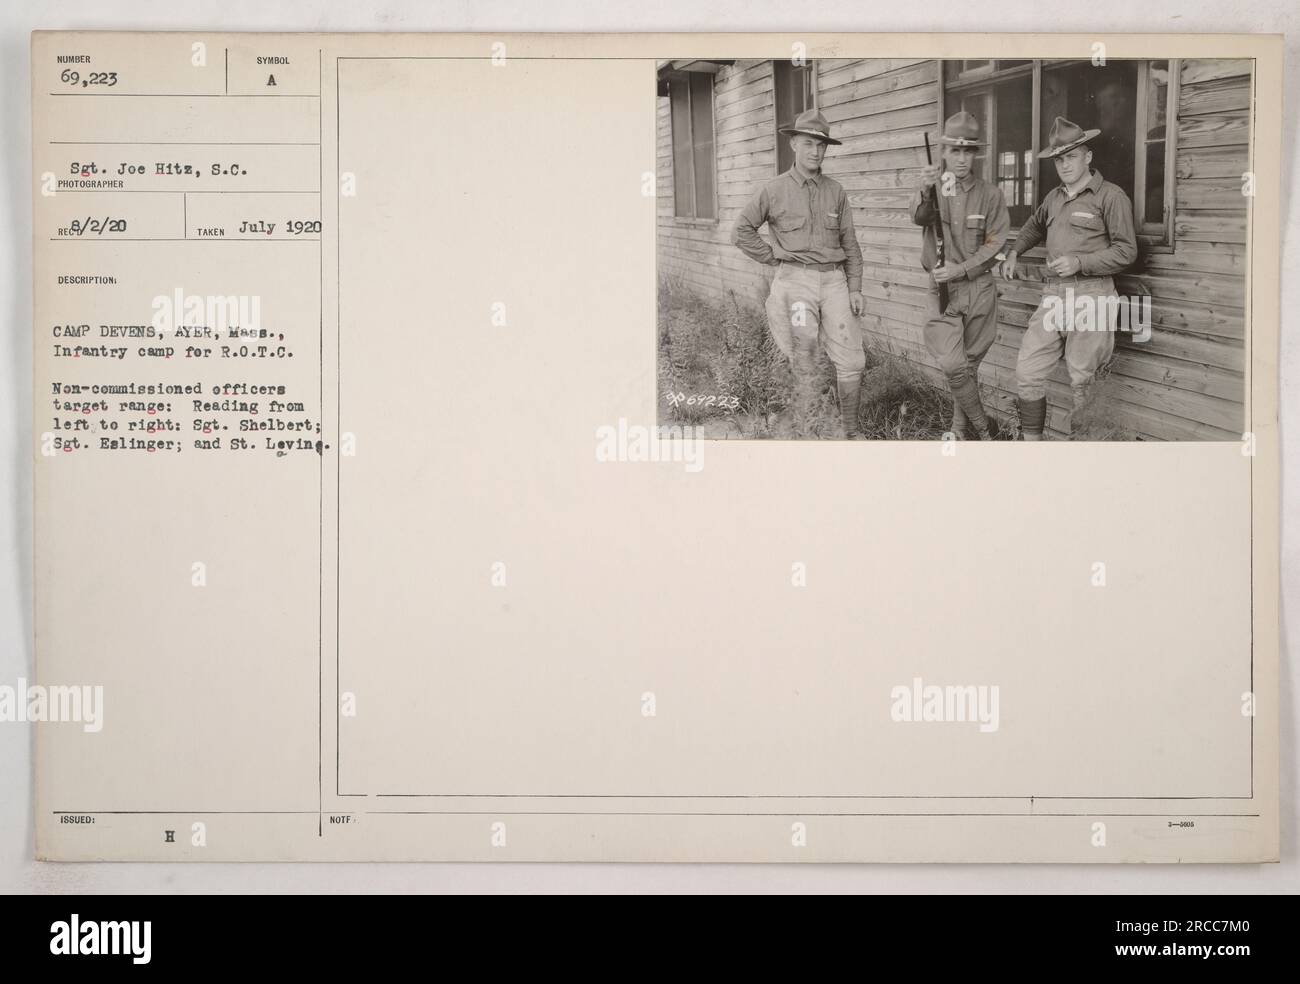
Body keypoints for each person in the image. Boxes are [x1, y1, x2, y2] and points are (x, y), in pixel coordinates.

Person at [999, 116, 1138, 440]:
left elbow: (1127, 251)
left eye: (1071, 156)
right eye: (1059, 159)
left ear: (1088, 156)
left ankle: (1081, 459)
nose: (1064, 164)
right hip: (1054, 297)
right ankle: (1031, 447)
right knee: (1028, 371)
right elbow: (1034, 225)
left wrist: (1080, 261)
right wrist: (1015, 251)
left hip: (1092, 296)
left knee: (1083, 382)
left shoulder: (1111, 196)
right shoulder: (1054, 198)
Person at [732, 109, 866, 437]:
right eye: (808, 144)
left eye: (821, 146)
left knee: (853, 361)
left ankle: (848, 432)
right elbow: (741, 231)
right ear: (794, 144)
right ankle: (812, 430)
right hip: (795, 284)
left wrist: (855, 286)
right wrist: (774, 258)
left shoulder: (836, 191)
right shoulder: (774, 190)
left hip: (834, 282)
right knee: (805, 360)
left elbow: (851, 243)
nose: (815, 152)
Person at [910, 110, 1010, 440]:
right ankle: (985, 427)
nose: (962, 159)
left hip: (979, 289)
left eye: (968, 151)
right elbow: (919, 217)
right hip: (942, 290)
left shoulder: (991, 194)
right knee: (954, 365)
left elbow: (996, 245)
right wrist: (926, 188)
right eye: (955, 151)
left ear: (976, 153)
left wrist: (963, 268)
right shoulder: (932, 188)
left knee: (968, 367)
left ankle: (958, 429)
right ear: (943, 152)